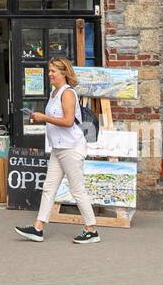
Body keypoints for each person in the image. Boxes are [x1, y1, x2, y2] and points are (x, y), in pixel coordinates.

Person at [14, 57, 100, 245]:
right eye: (50, 70)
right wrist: (39, 118)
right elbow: (55, 118)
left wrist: (44, 117)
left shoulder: (67, 93)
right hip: (59, 148)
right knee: (49, 188)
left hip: (71, 148)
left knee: (77, 190)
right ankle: (38, 228)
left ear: (64, 72)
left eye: (53, 70)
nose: (50, 74)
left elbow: (68, 121)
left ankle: (91, 229)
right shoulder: (54, 93)